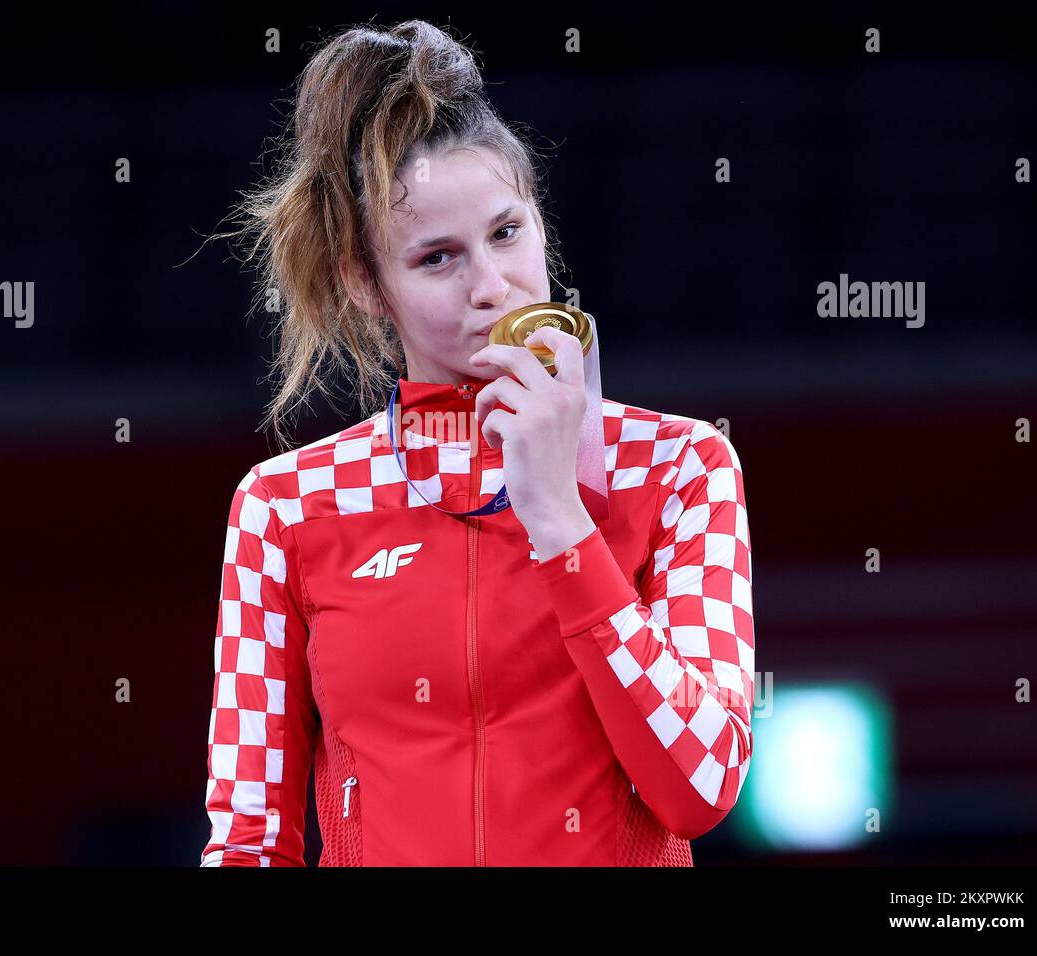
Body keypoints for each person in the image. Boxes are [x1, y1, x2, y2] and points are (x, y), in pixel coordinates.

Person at [199, 19, 755, 867]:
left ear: (541, 223)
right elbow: (247, 843)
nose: (491, 288)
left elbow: (701, 784)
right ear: (365, 283)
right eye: (436, 259)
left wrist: (560, 520)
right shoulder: (288, 508)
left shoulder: (679, 467)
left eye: (506, 233)